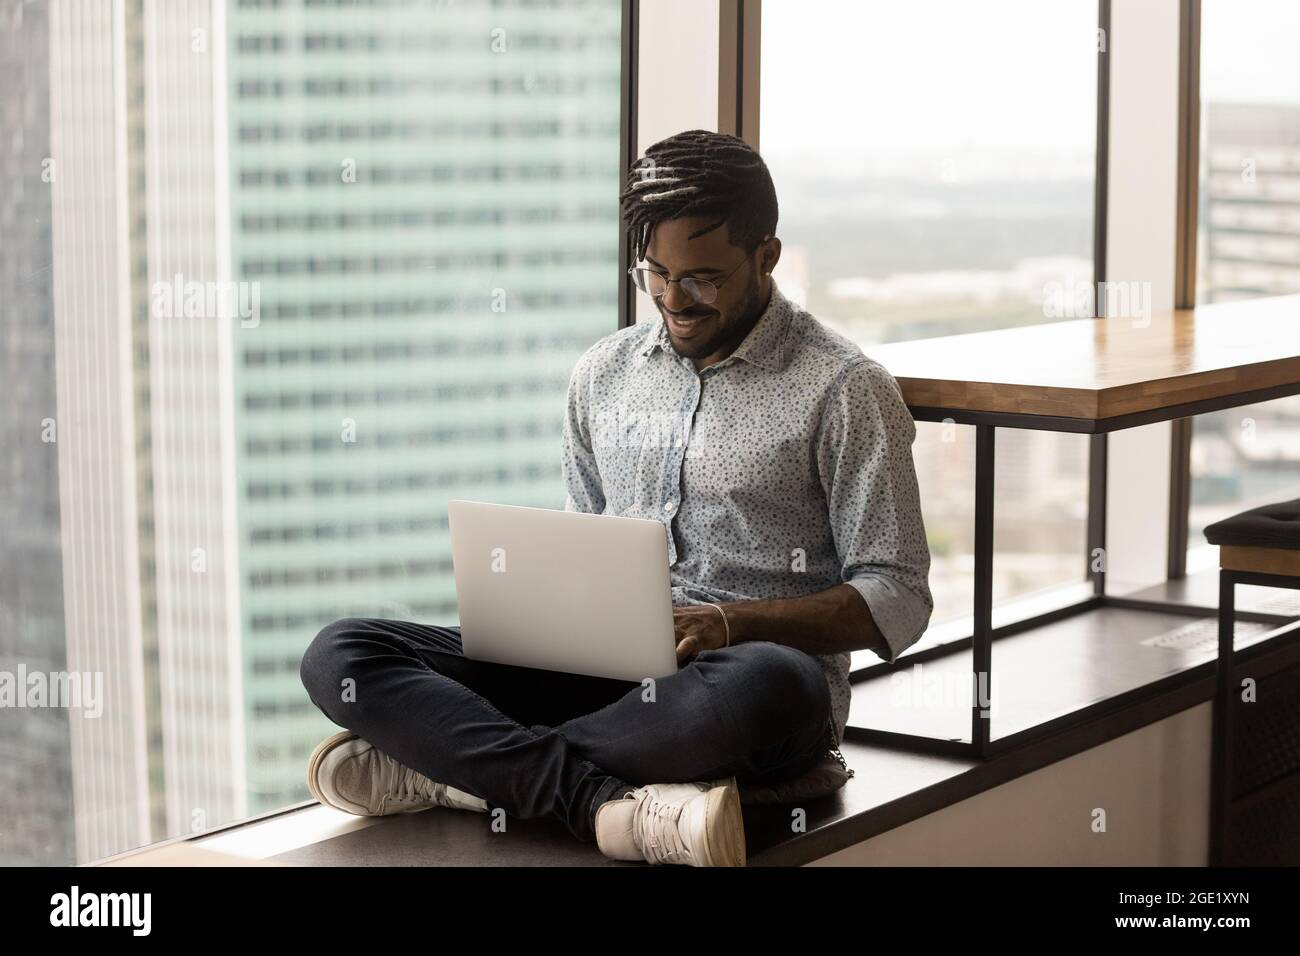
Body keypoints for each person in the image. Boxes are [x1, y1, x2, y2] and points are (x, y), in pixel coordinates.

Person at [299, 129, 932, 867]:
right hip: (603, 691)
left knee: (773, 682)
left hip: (735, 697)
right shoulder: (604, 374)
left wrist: (729, 624)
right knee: (343, 651)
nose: (673, 300)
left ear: (766, 256)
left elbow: (899, 595)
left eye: (701, 278)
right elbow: (586, 552)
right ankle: (592, 801)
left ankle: (451, 771)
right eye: (654, 274)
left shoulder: (844, 389)